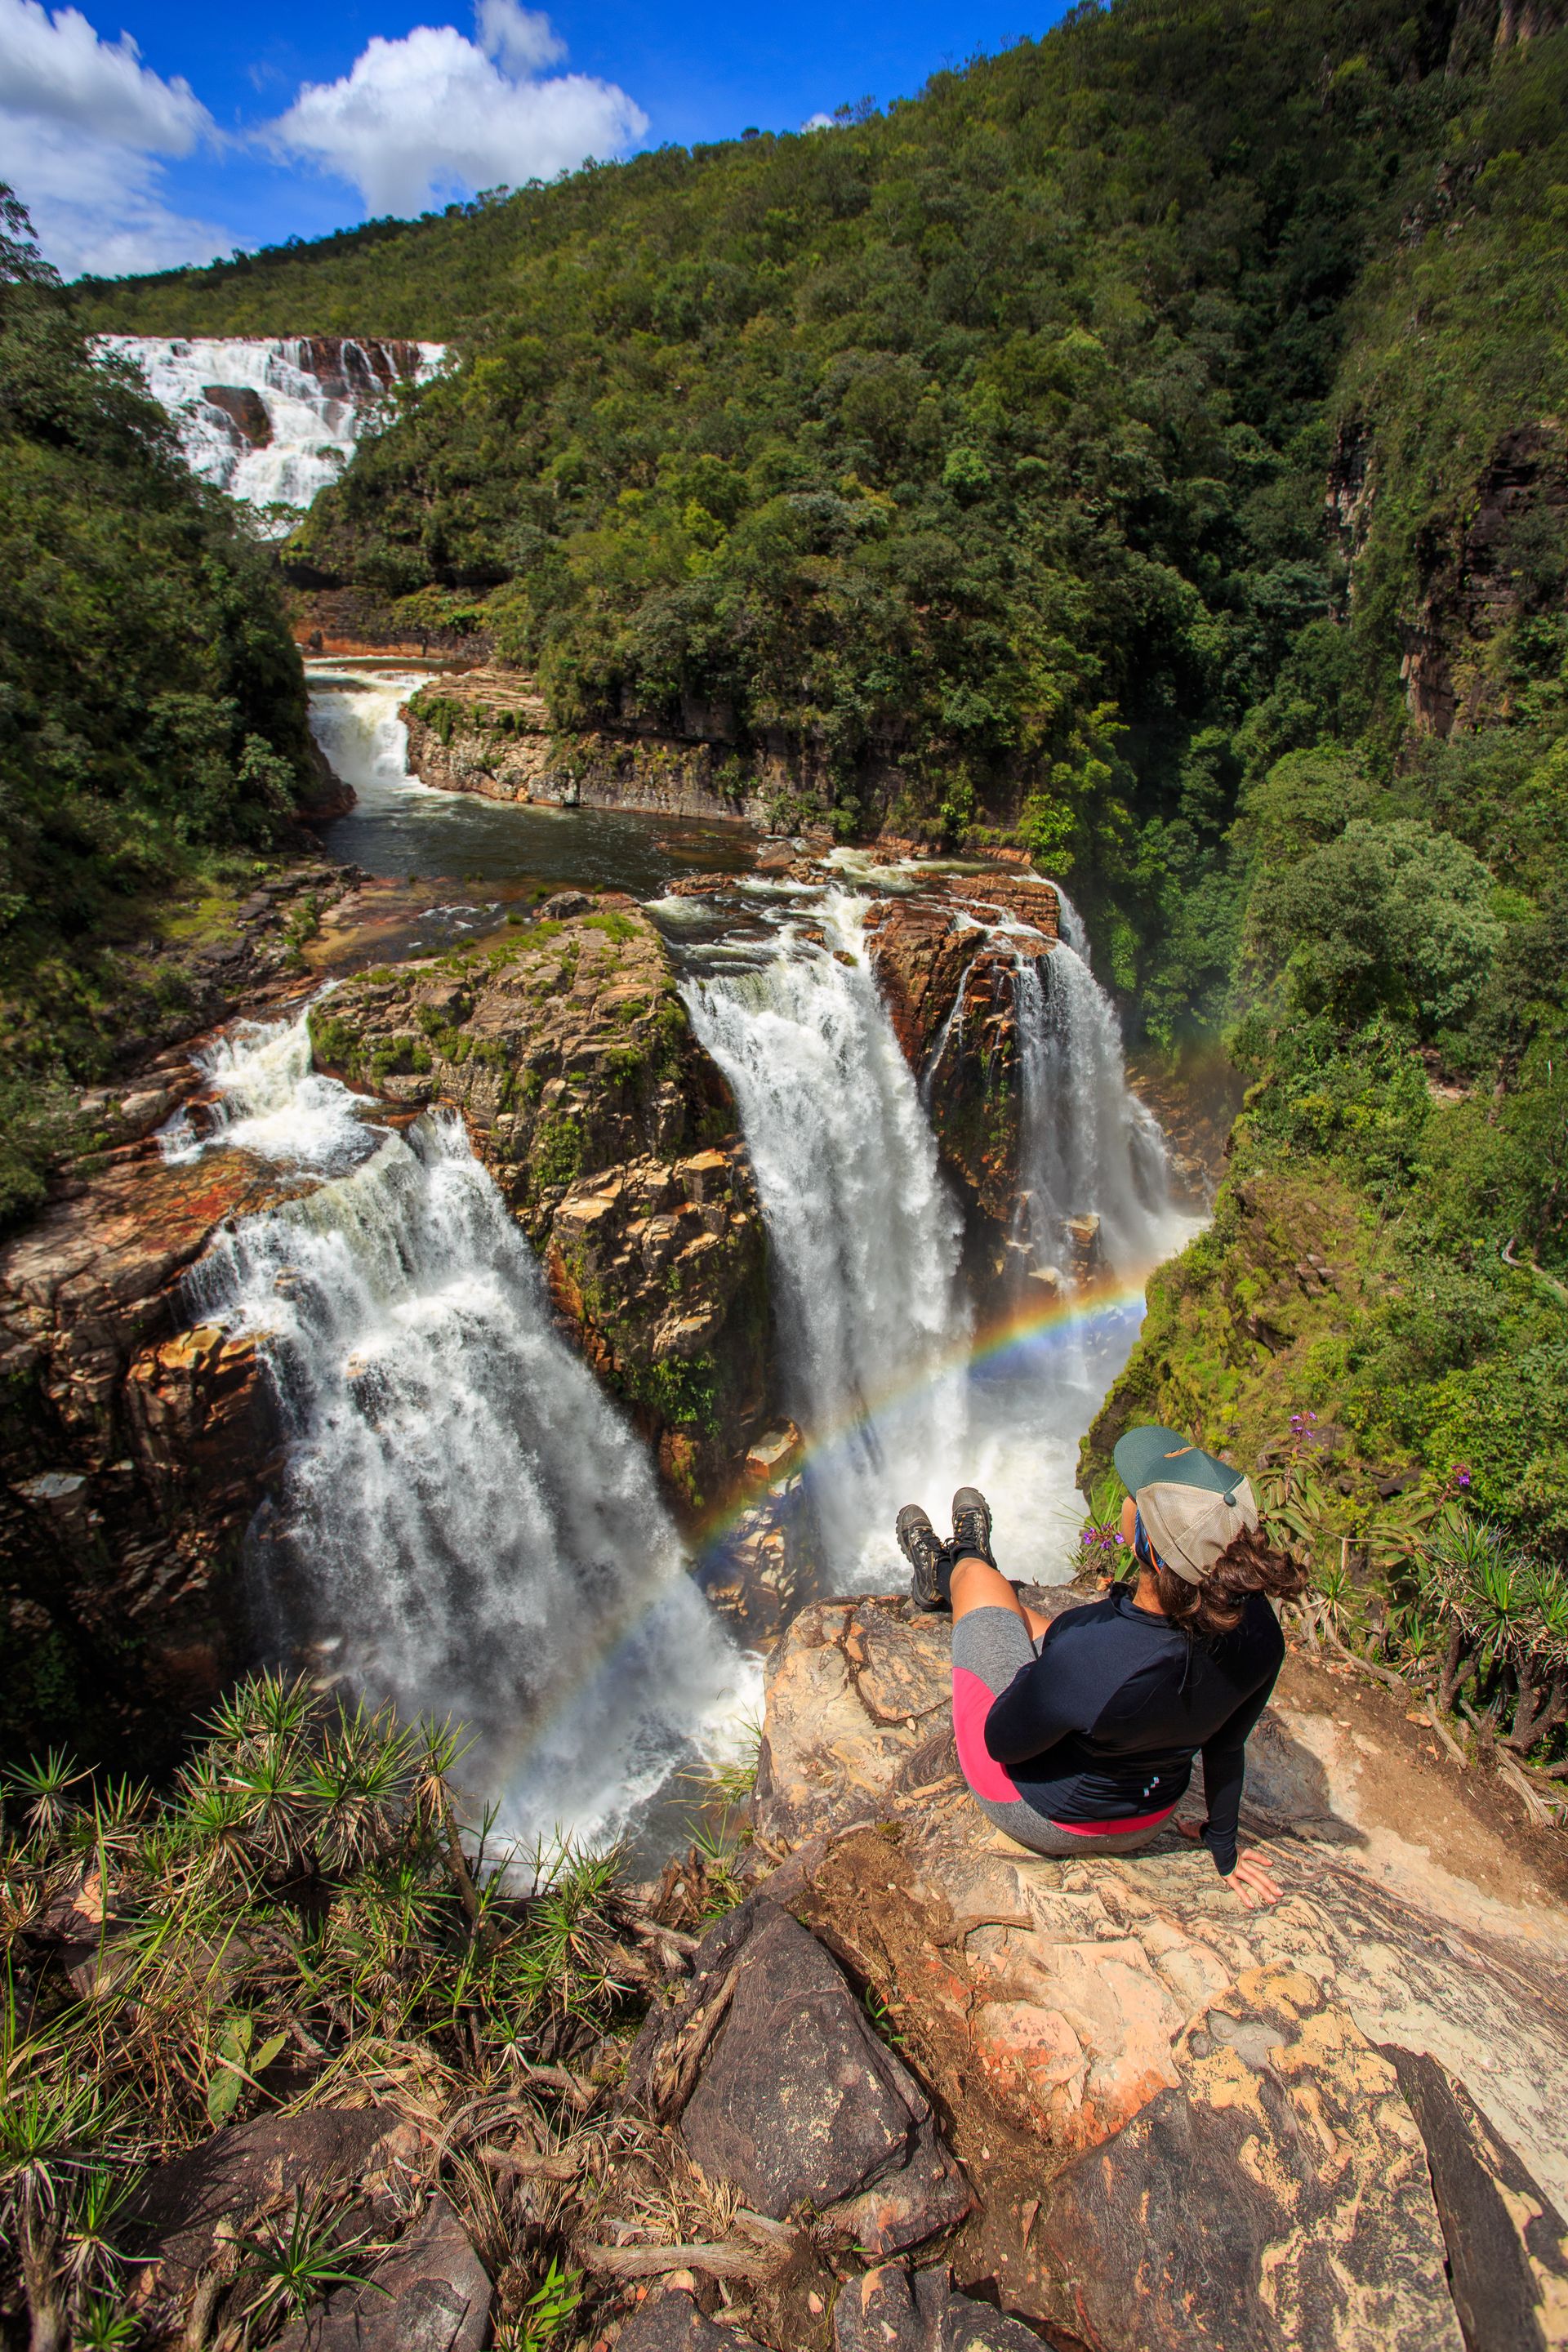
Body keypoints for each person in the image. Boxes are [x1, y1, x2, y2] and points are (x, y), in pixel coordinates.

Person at [895, 1427, 1308, 1909]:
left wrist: (1035, 1677)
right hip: (1148, 1817)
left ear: (1146, 1543)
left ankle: (953, 1567)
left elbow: (1001, 1742)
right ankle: (978, 1576)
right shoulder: (1259, 1629)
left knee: (981, 1586)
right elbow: (1226, 1744)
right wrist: (1223, 1843)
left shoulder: (1089, 1649)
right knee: (1014, 1614)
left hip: (1041, 1815)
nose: (1127, 1497)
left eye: (1136, 1495)